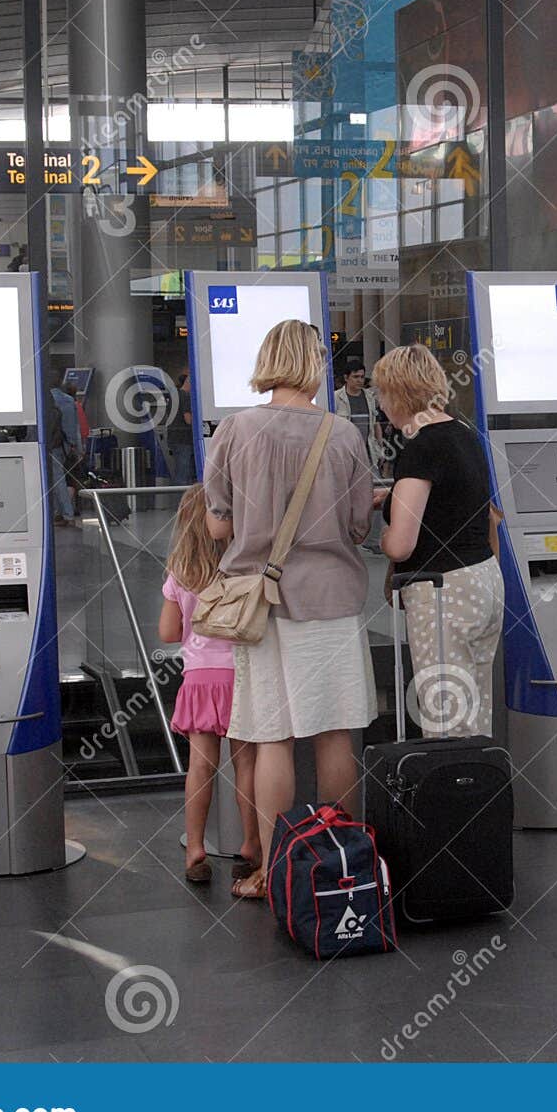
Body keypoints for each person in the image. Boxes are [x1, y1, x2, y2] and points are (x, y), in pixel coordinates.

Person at [203, 319, 374, 899]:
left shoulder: (233, 430)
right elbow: (357, 524)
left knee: (272, 737)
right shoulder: (343, 433)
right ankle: (342, 865)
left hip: (260, 603)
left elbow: (217, 523)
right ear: (315, 366)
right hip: (330, 599)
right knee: (333, 738)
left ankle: (276, 873)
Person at [374, 344, 504, 739]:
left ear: (398, 393)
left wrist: (382, 532)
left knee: (445, 721)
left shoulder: (421, 447)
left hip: (442, 594)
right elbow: (462, 505)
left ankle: (453, 795)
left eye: (381, 394)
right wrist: (392, 496)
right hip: (483, 581)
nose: (380, 405)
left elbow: (401, 546)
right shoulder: (462, 434)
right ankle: (478, 794)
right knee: (474, 715)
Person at [159, 488, 260, 884]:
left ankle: (197, 849)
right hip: (240, 677)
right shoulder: (242, 569)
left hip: (200, 681)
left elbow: (168, 632)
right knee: (246, 765)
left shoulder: (180, 573)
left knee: (201, 766)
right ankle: (252, 844)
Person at [333, 357, 383, 464]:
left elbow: (376, 423)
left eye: (362, 377)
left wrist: (380, 447)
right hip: (345, 451)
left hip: (368, 451)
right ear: (346, 378)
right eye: (355, 377)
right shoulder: (336, 398)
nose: (360, 380)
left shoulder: (370, 397)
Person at [46, 379, 78, 526]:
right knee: (58, 478)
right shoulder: (69, 400)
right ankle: (60, 513)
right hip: (63, 444)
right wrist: (74, 444)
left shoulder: (44, 398)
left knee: (56, 479)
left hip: (50, 444)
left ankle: (67, 513)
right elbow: (73, 425)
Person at [165, 371, 196, 485]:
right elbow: (188, 419)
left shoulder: (174, 396)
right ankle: (185, 500)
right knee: (185, 472)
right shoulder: (186, 397)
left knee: (180, 471)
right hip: (184, 439)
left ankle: (179, 499)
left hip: (173, 438)